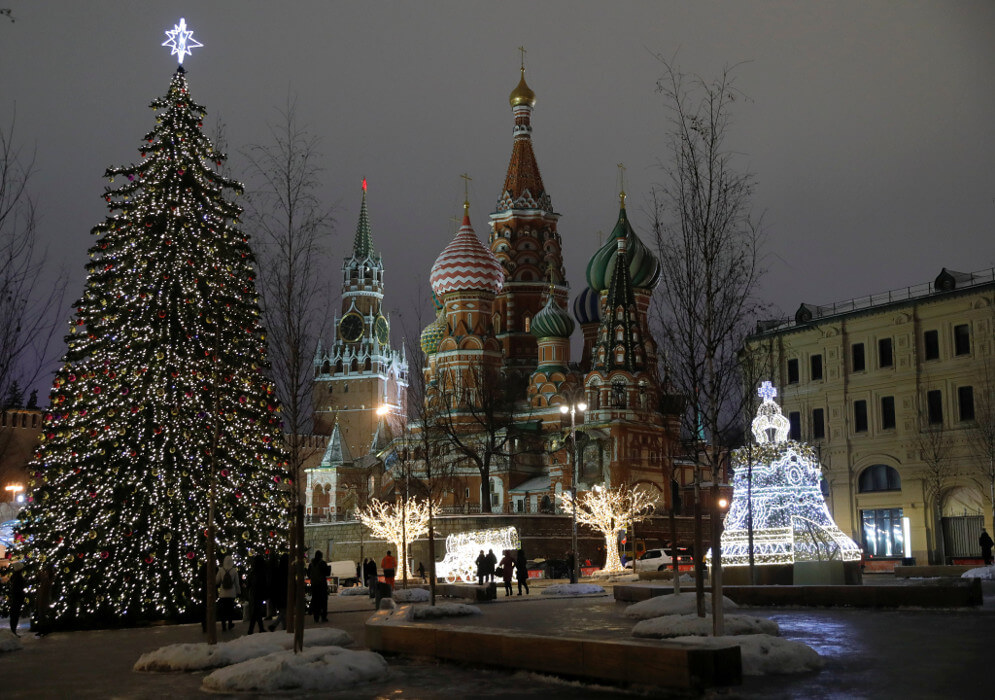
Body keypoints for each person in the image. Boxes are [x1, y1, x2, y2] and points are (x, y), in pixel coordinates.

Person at [216, 554, 240, 631]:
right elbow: (237, 583)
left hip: (223, 594)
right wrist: (238, 591)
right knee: (230, 610)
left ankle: (223, 626)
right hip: (231, 593)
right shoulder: (234, 570)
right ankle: (230, 624)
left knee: (223, 611)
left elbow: (217, 581)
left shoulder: (221, 570)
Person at [246, 554, 269, 634]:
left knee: (256, 611)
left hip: (254, 593)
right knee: (257, 611)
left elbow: (249, 583)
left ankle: (257, 628)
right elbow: (264, 583)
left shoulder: (253, 572)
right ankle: (254, 629)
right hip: (260, 593)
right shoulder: (263, 571)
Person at [268, 553, 289, 632]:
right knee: (284, 611)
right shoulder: (286, 571)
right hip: (284, 593)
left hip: (278, 594)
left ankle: (285, 627)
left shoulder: (277, 570)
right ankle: (275, 625)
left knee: (282, 611)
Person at [308, 550, 330, 622]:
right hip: (322, 585)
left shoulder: (311, 564)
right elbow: (327, 573)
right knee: (323, 601)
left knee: (315, 601)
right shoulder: (322, 563)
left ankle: (316, 617)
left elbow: (308, 574)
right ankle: (323, 616)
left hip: (314, 585)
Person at [34, 563, 53, 637]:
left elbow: (46, 585)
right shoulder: (46, 576)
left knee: (42, 614)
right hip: (42, 597)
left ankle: (43, 630)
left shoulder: (48, 577)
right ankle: (42, 630)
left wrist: (41, 575)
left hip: (44, 598)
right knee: (41, 614)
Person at [7, 561, 26, 636]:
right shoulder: (18, 577)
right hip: (17, 598)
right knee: (15, 615)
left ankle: (13, 630)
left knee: (14, 615)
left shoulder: (14, 576)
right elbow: (18, 589)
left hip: (15, 598)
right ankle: (13, 631)